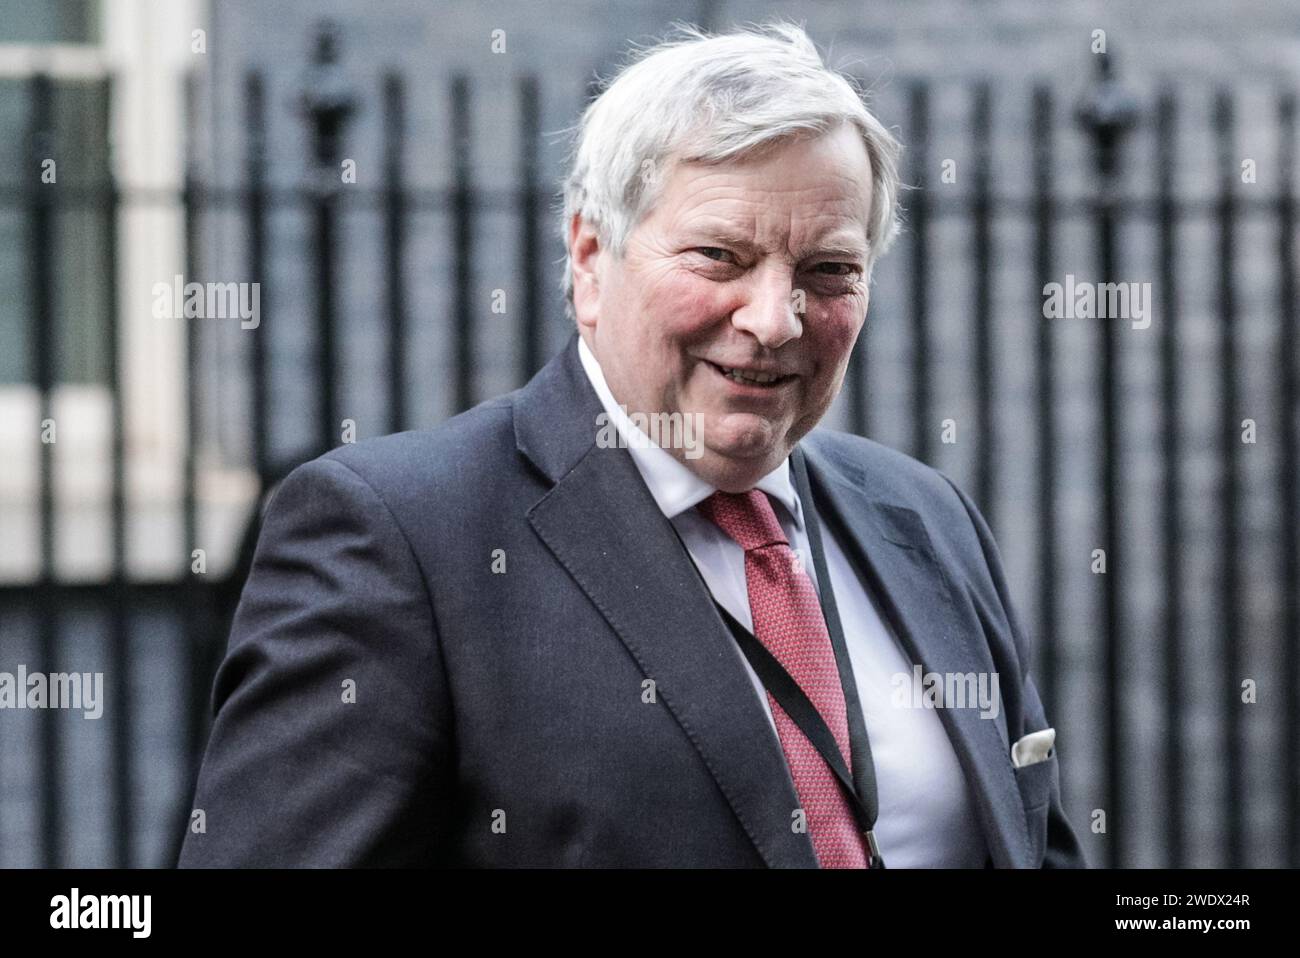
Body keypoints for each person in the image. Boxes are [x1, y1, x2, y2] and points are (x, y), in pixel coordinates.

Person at [178, 20, 1086, 868]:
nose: (774, 320)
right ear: (588, 260)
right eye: (717, 258)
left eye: (829, 271)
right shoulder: (401, 538)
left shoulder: (926, 516)